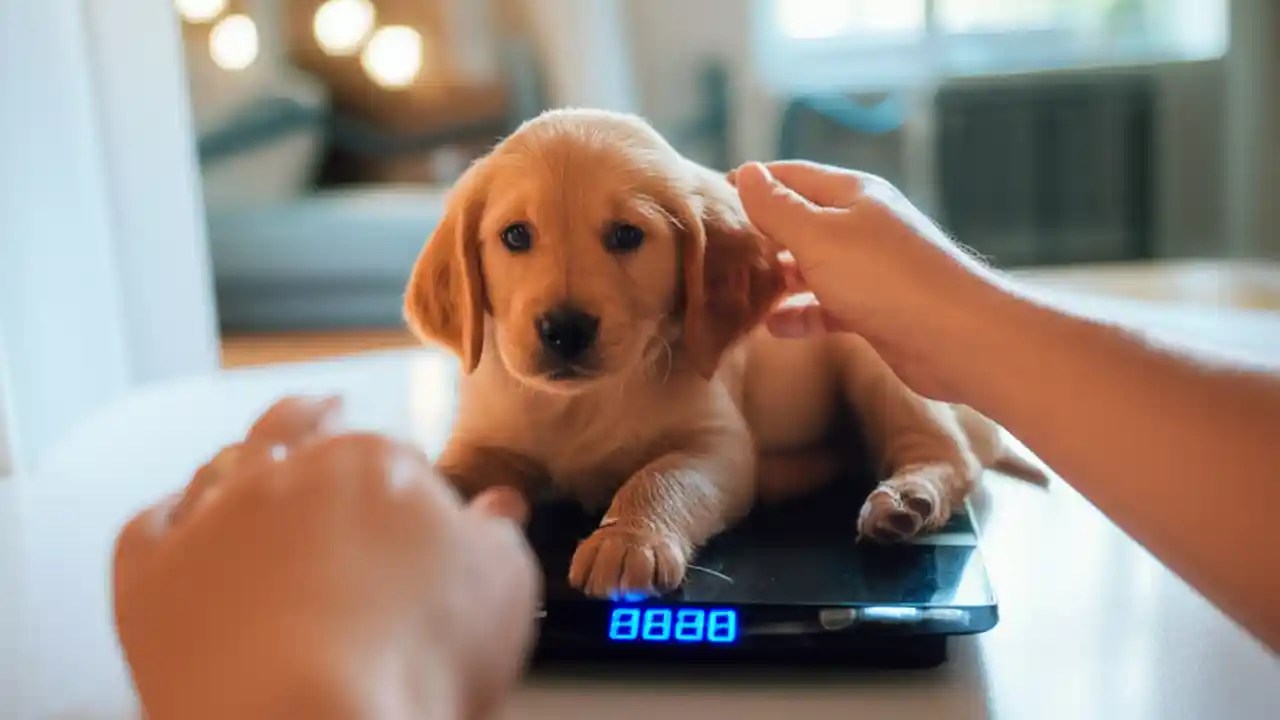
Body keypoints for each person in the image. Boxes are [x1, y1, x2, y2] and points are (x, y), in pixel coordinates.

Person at [112, 161, 1280, 719]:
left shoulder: (717, 327)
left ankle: (930, 461)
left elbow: (713, 454)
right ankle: (857, 472)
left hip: (798, 413)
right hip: (787, 467)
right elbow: (482, 468)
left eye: (624, 237)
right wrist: (436, 512)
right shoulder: (491, 370)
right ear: (464, 278)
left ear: (700, 277)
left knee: (869, 351)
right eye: (514, 239)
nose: (560, 299)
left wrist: (649, 510)